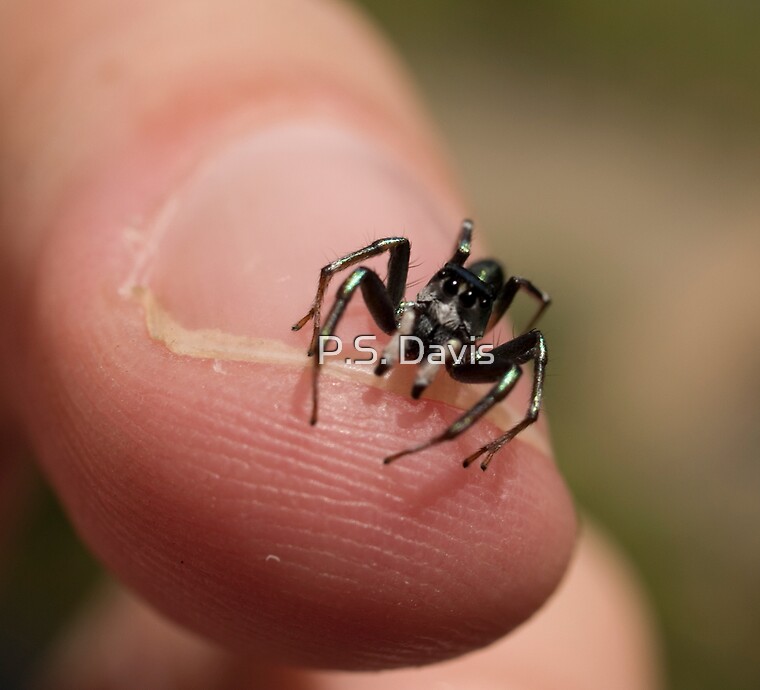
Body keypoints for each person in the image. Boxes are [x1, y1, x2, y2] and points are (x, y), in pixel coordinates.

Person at [0, 0, 661, 686]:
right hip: (440, 298)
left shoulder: (475, 334)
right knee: (395, 250)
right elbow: (371, 260)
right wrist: (320, 309)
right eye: (418, 332)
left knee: (526, 363)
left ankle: (464, 434)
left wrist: (487, 430)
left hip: (473, 322)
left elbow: (521, 351)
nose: (419, 349)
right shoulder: (416, 296)